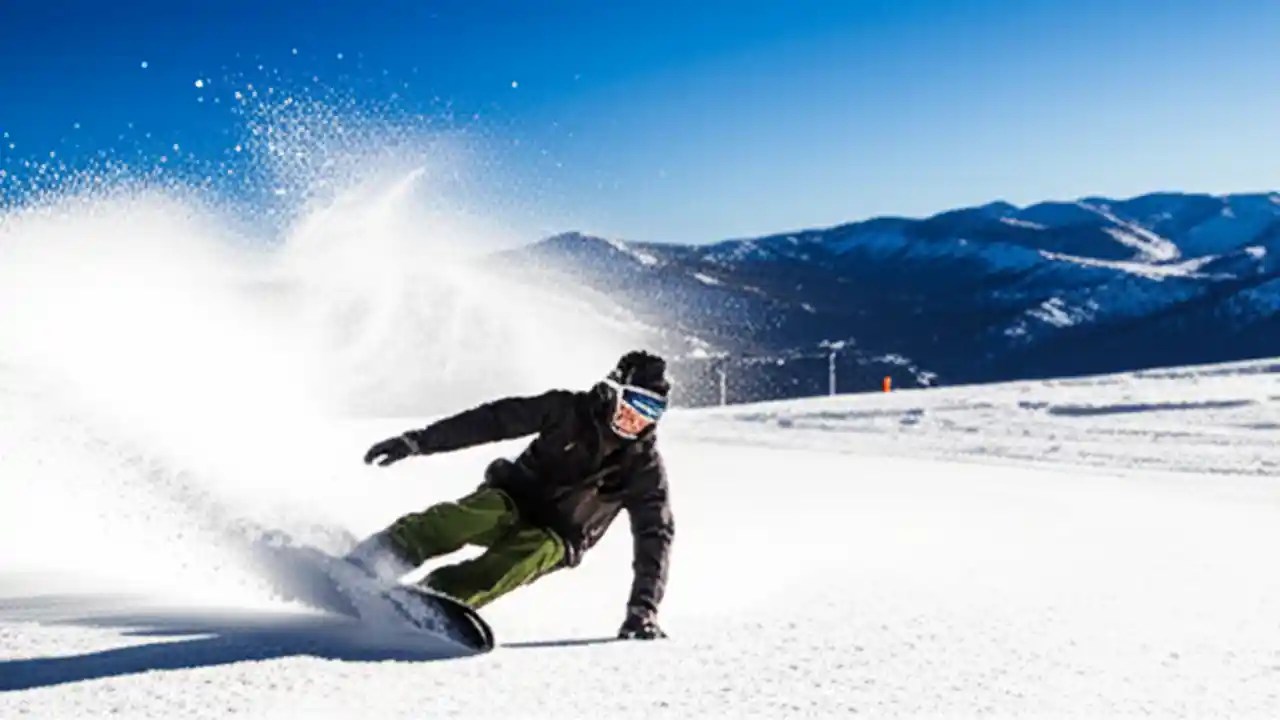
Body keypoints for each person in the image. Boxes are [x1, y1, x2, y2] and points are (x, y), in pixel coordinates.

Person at [349, 350, 675, 640]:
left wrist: (643, 610)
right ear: (612, 392)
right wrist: (418, 442)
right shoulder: (566, 410)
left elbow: (655, 536)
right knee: (466, 518)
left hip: (561, 534)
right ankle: (381, 555)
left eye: (651, 409)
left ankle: (429, 601)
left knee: (517, 559)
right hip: (514, 498)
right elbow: (494, 420)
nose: (637, 418)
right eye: (633, 403)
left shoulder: (643, 467)